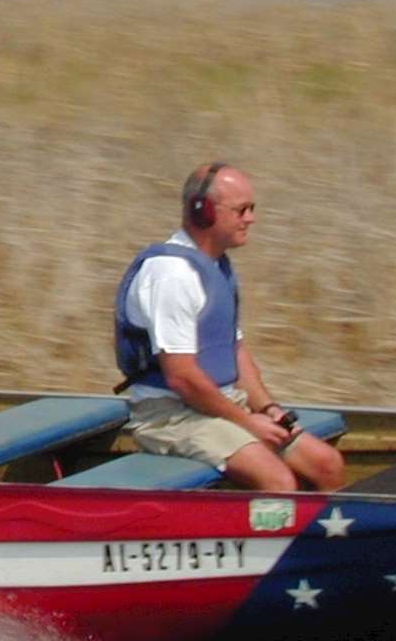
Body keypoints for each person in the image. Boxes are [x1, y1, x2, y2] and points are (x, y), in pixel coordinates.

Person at [113, 162, 346, 492]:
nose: (251, 218)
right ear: (203, 211)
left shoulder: (216, 267)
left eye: (252, 209)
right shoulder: (172, 275)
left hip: (220, 406)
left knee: (327, 464)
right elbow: (182, 376)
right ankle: (275, 543)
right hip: (172, 417)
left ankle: (330, 543)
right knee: (277, 480)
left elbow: (234, 352)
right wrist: (248, 423)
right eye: (242, 210)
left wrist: (268, 408)